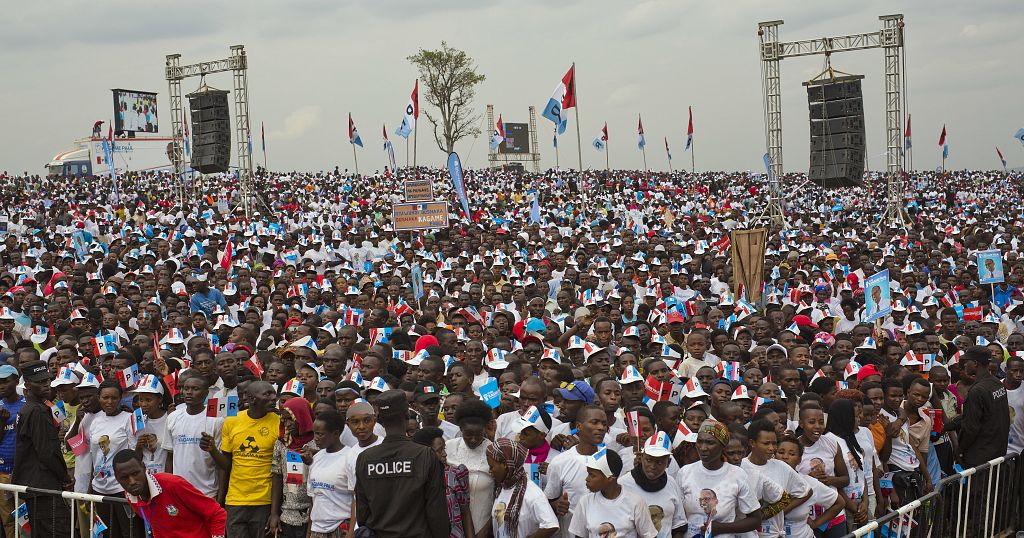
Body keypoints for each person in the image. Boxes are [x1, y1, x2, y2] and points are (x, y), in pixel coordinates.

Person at [354, 389, 449, 538]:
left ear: (379, 419)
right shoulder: (425, 455)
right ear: (406, 415)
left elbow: (362, 514)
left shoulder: (365, 458)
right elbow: (436, 511)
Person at [208, 380, 280, 538]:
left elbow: (278, 472)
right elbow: (226, 465)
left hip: (263, 501)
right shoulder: (232, 421)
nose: (273, 398)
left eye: (274, 393)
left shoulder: (278, 422)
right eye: (267, 394)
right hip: (235, 501)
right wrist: (213, 450)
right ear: (252, 399)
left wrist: (274, 512)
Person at [12, 359, 71, 537]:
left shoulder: (29, 408)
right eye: (39, 382)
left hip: (36, 485)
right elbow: (47, 452)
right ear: (28, 385)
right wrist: (64, 477)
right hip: (44, 486)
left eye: (47, 380)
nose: (46, 385)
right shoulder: (36, 410)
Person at [113, 449, 227, 538]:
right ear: (117, 479)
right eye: (124, 478)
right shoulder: (130, 496)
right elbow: (157, 527)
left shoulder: (173, 484)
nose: (132, 481)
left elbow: (217, 513)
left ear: (143, 467)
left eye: (135, 473)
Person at [677, 420, 760, 538]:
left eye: (710, 443)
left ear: (723, 446)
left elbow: (755, 520)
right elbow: (677, 520)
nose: (703, 448)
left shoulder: (737, 475)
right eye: (699, 442)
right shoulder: (685, 473)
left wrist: (721, 528)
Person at [568, 447, 658, 538]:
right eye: (588, 473)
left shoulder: (635, 503)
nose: (587, 479)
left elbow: (649, 535)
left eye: (592, 475)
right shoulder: (585, 502)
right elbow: (579, 536)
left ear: (610, 477)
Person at [163, 374, 223, 498]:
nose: (189, 392)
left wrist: (220, 499)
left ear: (206, 393)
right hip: (179, 491)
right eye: (186, 388)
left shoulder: (216, 420)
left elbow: (221, 464)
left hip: (206, 493)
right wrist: (168, 487)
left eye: (195, 389)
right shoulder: (172, 418)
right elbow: (169, 456)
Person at [486, 437, 559, 538]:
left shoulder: (532, 493)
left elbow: (551, 525)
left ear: (505, 465)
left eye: (492, 466)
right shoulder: (503, 488)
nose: (490, 471)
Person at [620, 432, 689, 538]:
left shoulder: (671, 483)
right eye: (649, 460)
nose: (652, 466)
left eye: (659, 462)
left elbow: (678, 526)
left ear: (668, 463)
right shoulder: (624, 484)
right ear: (642, 457)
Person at [413, 426, 474, 538]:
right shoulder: (414, 479)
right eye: (439, 450)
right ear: (425, 453)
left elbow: (465, 512)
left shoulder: (455, 474)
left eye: (444, 448)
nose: (445, 454)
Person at [446, 399, 495, 538]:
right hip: (451, 527)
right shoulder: (448, 448)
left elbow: (500, 496)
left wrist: (487, 529)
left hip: (483, 527)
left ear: (485, 429)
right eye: (468, 434)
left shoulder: (493, 451)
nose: (473, 439)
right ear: (460, 430)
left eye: (478, 434)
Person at [956, 346, 1010, 466]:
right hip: (997, 452)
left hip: (980, 458)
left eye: (966, 362)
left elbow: (970, 427)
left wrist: (960, 450)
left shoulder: (977, 391)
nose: (965, 366)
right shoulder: (996, 383)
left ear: (975, 363)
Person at [306, 409, 350, 538]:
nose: (316, 438)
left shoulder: (350, 457)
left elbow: (356, 498)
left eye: (320, 434)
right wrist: (309, 531)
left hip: (341, 528)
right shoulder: (317, 458)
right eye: (314, 433)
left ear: (335, 433)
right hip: (317, 529)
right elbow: (313, 499)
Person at [0, 364, 24, 538]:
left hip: (23, 471)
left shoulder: (27, 405)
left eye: (5, 381)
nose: (1, 385)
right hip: (2, 472)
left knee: (25, 519)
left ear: (16, 380)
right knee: (8, 520)